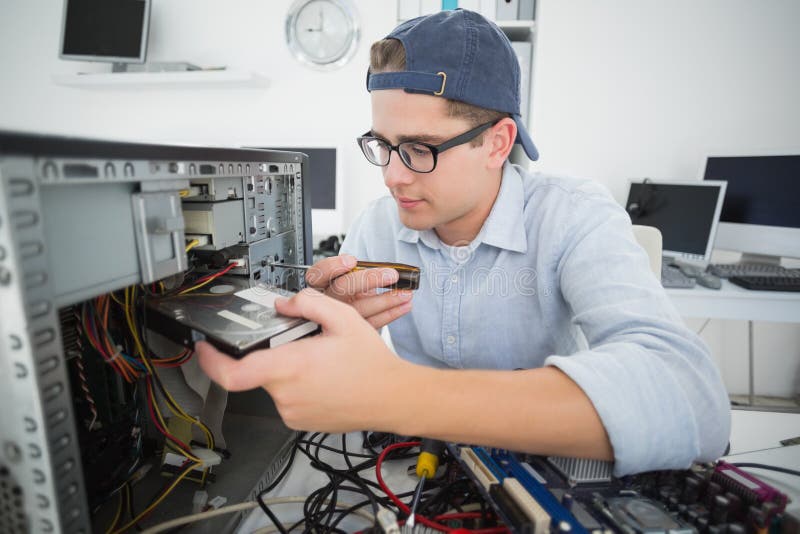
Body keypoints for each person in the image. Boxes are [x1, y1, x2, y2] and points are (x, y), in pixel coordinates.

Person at [197, 9, 730, 476]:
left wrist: (396, 396)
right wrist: (318, 328)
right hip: (415, 465)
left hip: (542, 466)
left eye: (420, 149)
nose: (392, 177)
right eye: (381, 145)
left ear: (497, 143)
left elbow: (693, 400)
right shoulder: (379, 224)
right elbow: (336, 354)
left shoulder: (575, 217)